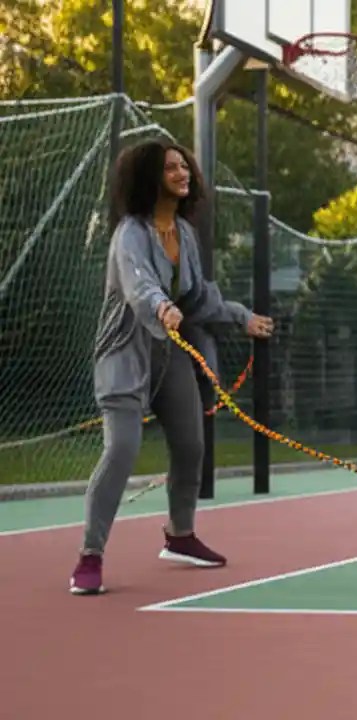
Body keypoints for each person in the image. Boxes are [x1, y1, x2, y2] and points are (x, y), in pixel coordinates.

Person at [70, 140, 274, 595]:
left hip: (170, 353)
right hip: (126, 352)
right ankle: (90, 554)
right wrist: (162, 308)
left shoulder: (184, 232)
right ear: (149, 177)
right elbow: (139, 284)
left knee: (190, 446)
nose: (183, 172)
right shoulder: (130, 233)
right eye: (171, 168)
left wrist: (243, 318)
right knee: (121, 449)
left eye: (185, 165)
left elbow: (199, 296)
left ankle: (180, 536)